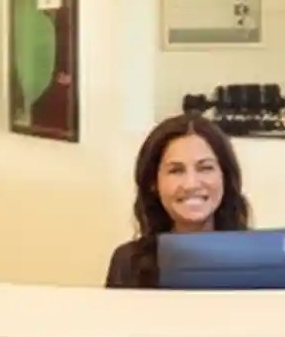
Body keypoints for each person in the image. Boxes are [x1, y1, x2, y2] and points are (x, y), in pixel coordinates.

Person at [105, 113, 251, 288]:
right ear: (153, 183)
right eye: (176, 171)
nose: (191, 184)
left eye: (205, 168)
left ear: (225, 177)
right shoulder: (128, 262)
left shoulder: (255, 256)